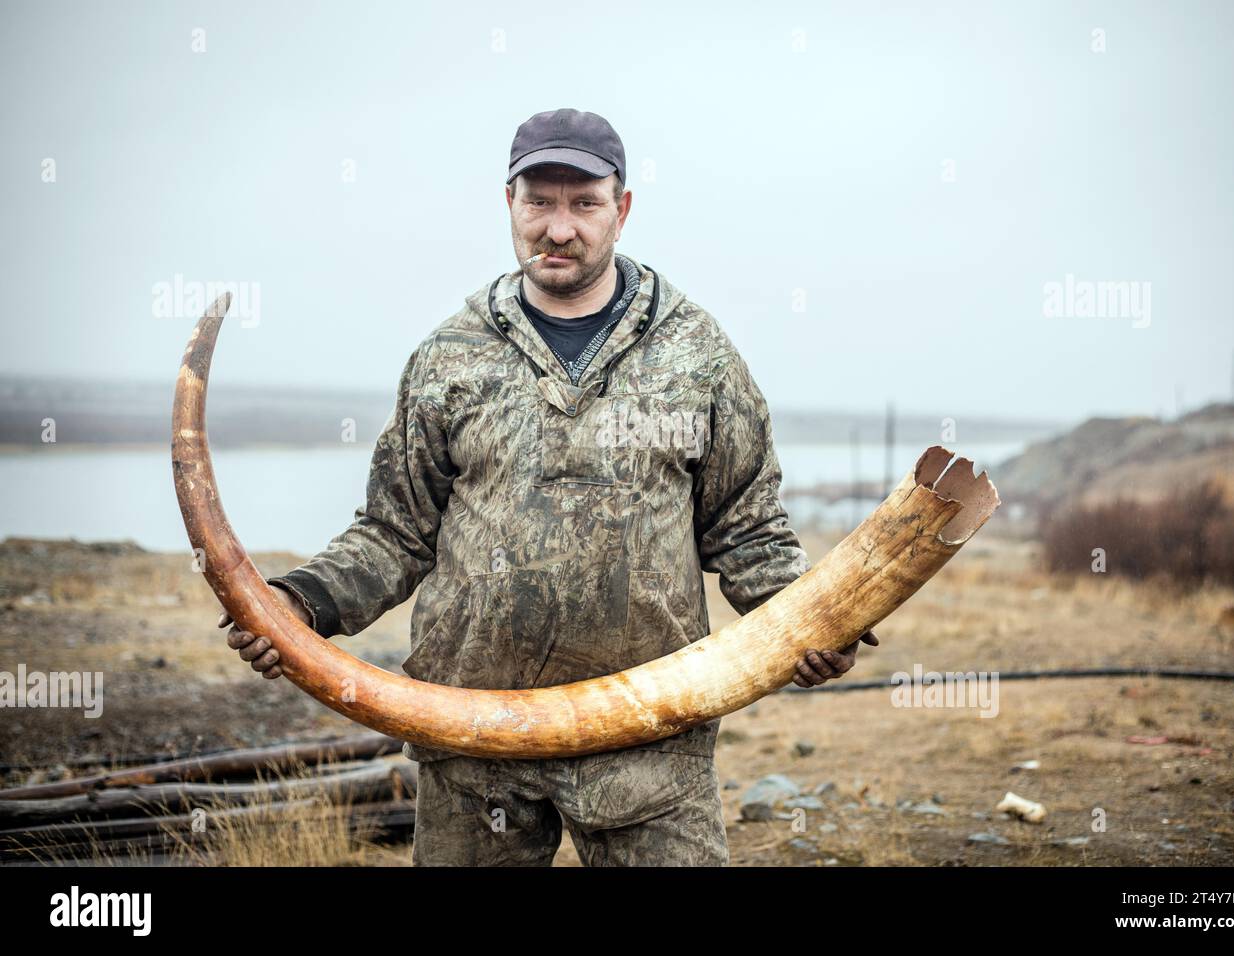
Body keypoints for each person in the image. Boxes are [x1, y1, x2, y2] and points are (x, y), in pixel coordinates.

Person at [219, 107, 877, 866]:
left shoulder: (697, 353)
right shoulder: (449, 357)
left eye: (583, 203)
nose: (558, 229)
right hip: (472, 735)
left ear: (621, 211)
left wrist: (808, 622)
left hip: (653, 735)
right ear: (509, 203)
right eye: (539, 201)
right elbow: (395, 532)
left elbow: (746, 527)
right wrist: (300, 605)